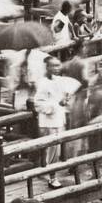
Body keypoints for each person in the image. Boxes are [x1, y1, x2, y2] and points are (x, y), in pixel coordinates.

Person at [32, 56, 79, 188]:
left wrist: (65, 100)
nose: (57, 68)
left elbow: (64, 98)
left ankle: (48, 171)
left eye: (58, 65)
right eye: (54, 66)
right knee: (51, 150)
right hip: (48, 121)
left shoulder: (60, 81)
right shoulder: (42, 83)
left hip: (59, 119)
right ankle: (52, 178)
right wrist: (56, 104)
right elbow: (38, 104)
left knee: (57, 149)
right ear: (47, 67)